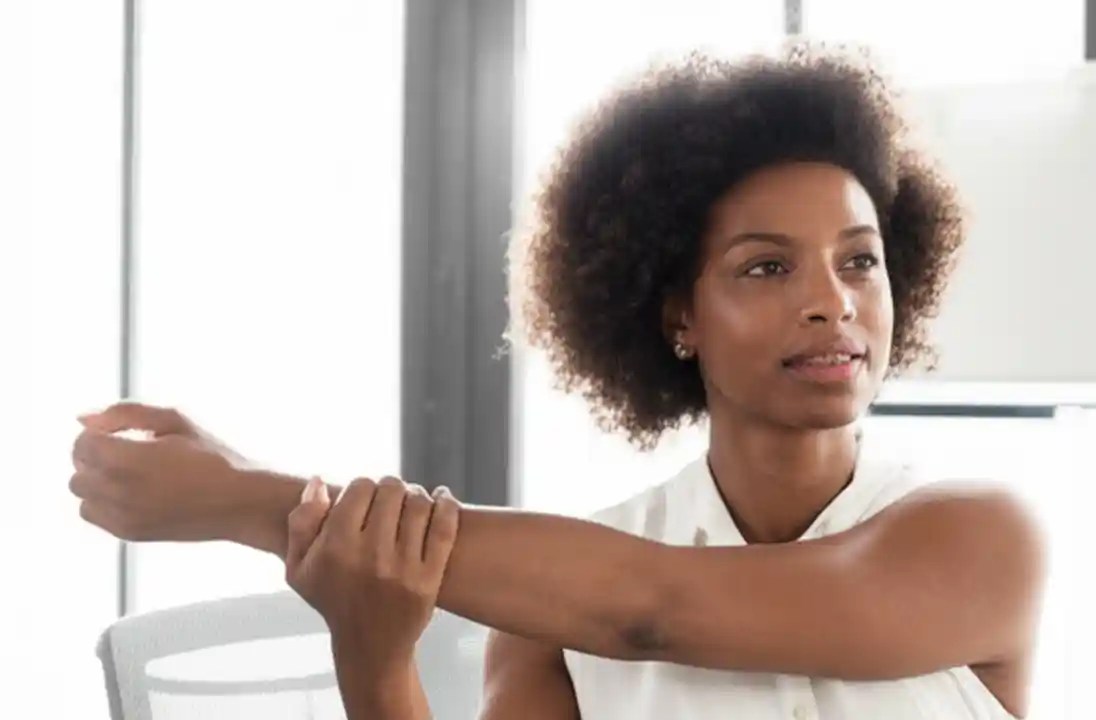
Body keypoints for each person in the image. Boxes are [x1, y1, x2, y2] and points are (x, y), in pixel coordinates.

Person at [69, 43, 1046, 719]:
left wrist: (255, 503)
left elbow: (652, 610)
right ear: (675, 315)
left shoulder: (976, 534)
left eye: (858, 260)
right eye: (764, 266)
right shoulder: (547, 610)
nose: (830, 302)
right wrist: (372, 657)